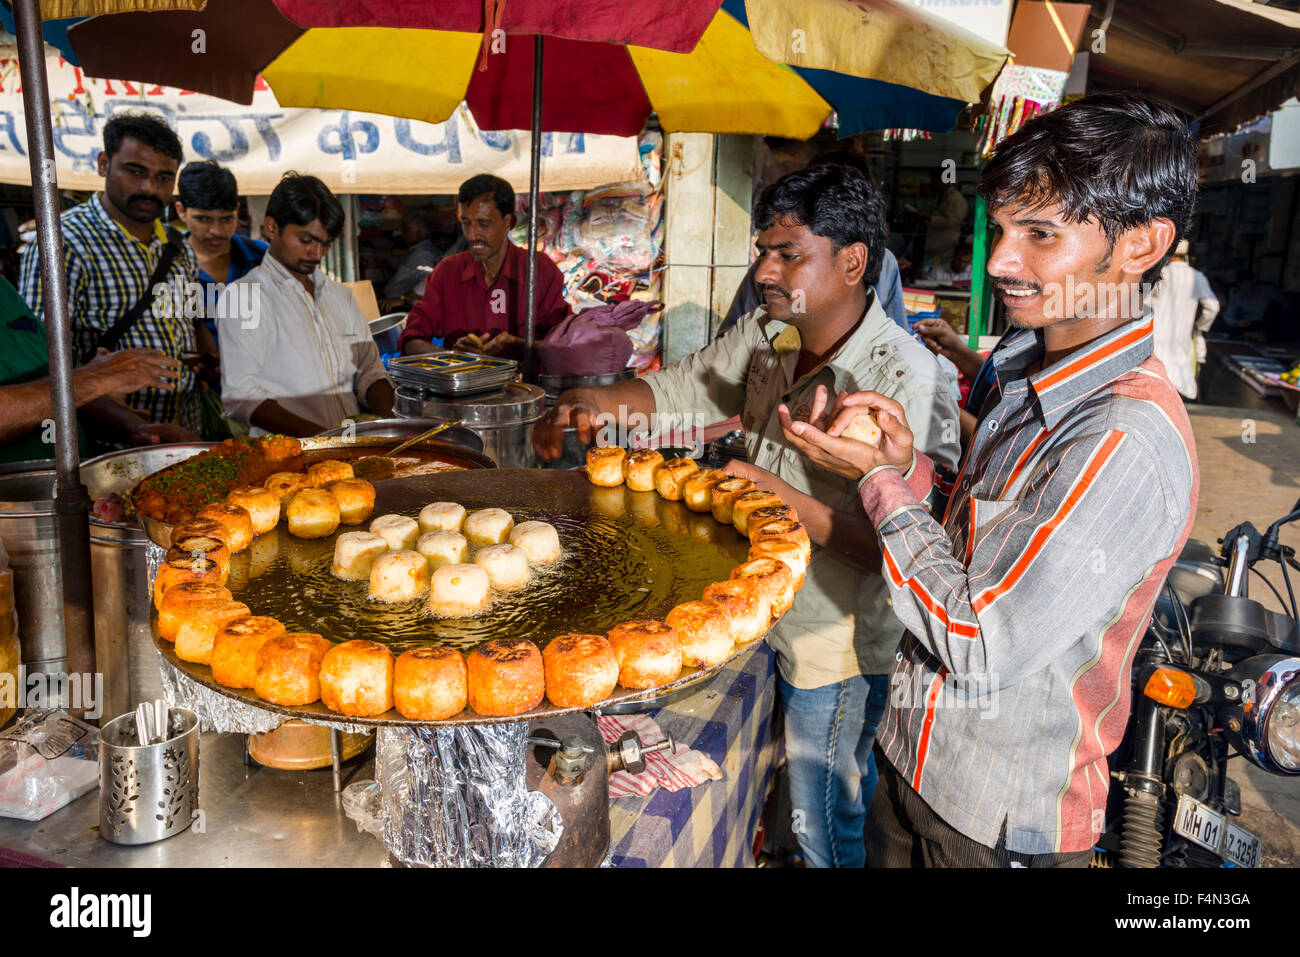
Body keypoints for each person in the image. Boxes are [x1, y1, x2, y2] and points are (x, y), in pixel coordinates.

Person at [780, 91, 1200, 867]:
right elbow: (984, 545)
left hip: (992, 822)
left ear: (1141, 244)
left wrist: (879, 482)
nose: (1000, 260)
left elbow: (979, 634)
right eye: (1003, 230)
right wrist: (911, 468)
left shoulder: (1123, 438)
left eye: (1041, 234)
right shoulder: (1029, 372)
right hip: (914, 760)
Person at [535, 164, 961, 868]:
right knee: (772, 807)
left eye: (787, 253)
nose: (764, 269)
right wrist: (592, 403)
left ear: (852, 262)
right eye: (764, 249)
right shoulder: (772, 334)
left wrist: (768, 493)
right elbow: (680, 391)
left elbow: (899, 551)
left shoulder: (903, 376)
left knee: (826, 828)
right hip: (751, 619)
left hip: (834, 647)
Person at [19, 111, 200, 438]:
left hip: (184, 427)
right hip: (109, 442)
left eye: (163, 177)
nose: (149, 187)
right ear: (104, 164)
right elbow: (40, 364)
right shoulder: (63, 243)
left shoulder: (179, 247)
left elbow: (186, 325)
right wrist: (131, 423)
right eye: (135, 171)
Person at [217, 173, 394, 437]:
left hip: (350, 448)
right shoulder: (243, 297)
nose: (317, 253)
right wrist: (326, 440)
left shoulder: (339, 296)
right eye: (306, 240)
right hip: (288, 461)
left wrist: (391, 423)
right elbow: (243, 398)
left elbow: (370, 369)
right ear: (272, 227)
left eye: (325, 244)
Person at [719, 151, 909, 337]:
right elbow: (727, 344)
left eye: (789, 256)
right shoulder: (768, 268)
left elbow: (897, 336)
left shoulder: (885, 265)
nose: (762, 274)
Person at [0, 275, 182, 462]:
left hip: (72, 476)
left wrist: (135, 427)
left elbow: (51, 377)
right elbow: (78, 384)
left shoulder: (4, 288)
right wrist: (95, 377)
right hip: (15, 487)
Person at [398, 174, 571, 359]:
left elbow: (565, 346)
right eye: (466, 223)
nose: (473, 235)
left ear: (509, 223)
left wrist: (517, 344)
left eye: (483, 224)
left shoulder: (540, 271)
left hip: (526, 385)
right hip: (463, 385)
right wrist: (454, 357)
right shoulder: (447, 271)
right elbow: (411, 340)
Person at [172, 159, 267, 348]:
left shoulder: (263, 258)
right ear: (181, 211)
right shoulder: (167, 266)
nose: (216, 230)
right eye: (203, 219)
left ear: (237, 211)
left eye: (226, 219)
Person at [1147, 239, 1218, 400]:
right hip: (1181, 338)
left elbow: (1142, 303)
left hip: (1154, 336)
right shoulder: (1197, 277)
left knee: (1155, 381)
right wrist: (1200, 327)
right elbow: (1213, 306)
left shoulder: (1158, 274)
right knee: (1178, 383)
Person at [379, 208, 440, 313]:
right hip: (392, 302)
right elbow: (403, 264)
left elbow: (429, 281)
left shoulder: (424, 254)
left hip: (400, 308)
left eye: (406, 230)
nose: (403, 233)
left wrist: (401, 300)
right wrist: (378, 262)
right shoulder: (417, 250)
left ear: (419, 232)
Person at [921, 169, 969, 263]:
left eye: (934, 181)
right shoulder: (942, 195)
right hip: (935, 244)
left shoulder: (956, 199)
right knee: (929, 272)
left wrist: (927, 217)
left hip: (946, 246)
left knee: (938, 273)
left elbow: (952, 222)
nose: (932, 184)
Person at [1221, 269, 1285, 338]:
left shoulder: (1267, 291)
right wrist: (1236, 322)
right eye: (1241, 283)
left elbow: (1284, 304)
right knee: (1225, 326)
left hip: (1266, 323)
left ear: (1253, 281)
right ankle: (1249, 335)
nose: (1244, 286)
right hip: (1248, 323)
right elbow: (1229, 315)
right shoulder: (1237, 297)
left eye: (1246, 282)